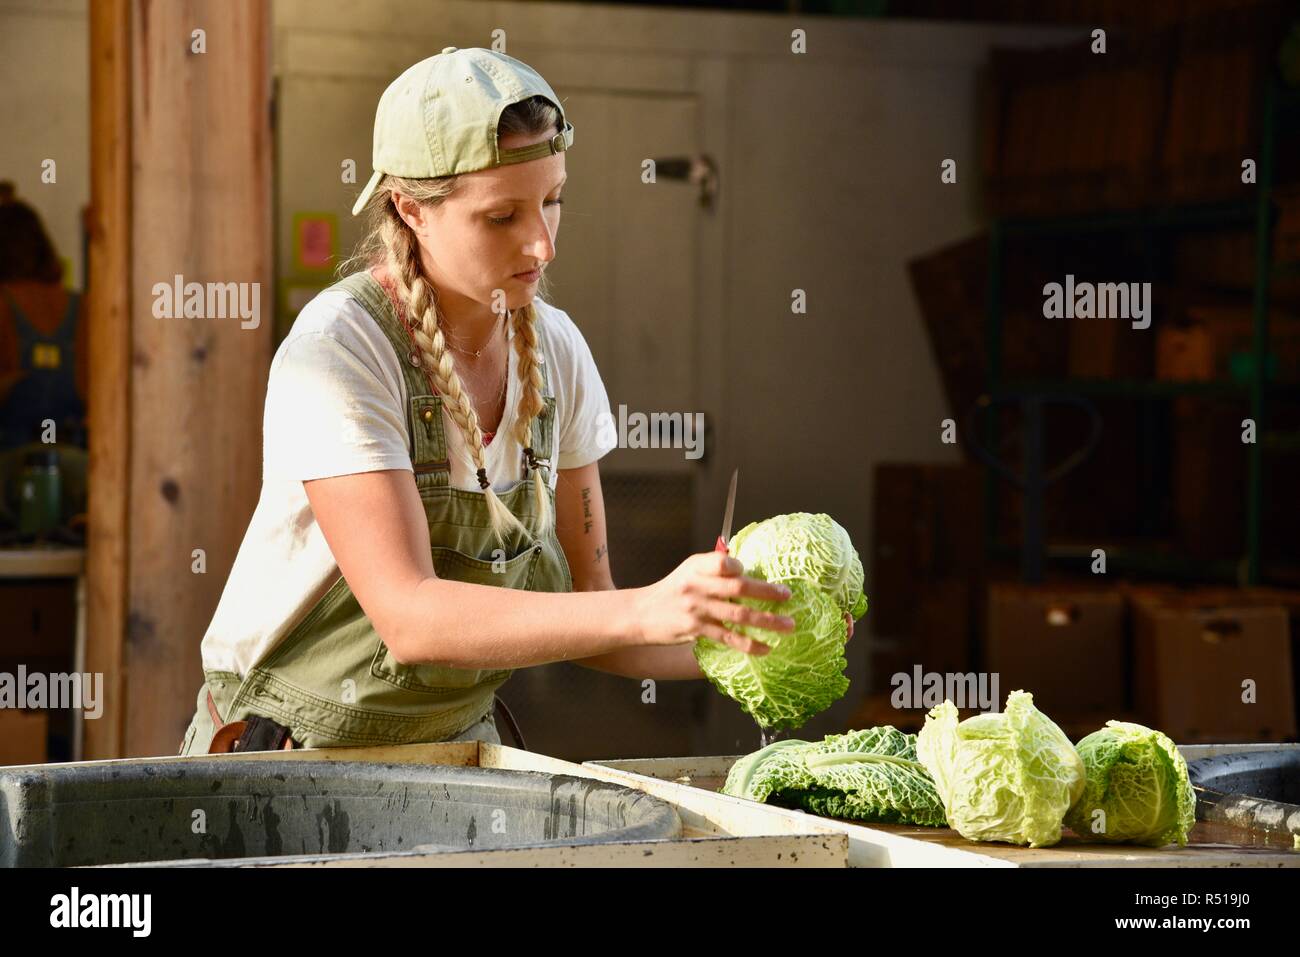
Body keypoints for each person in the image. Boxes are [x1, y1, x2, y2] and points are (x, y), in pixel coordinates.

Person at [178, 47, 807, 756]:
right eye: (502, 214)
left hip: (457, 757)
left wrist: (744, 633)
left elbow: (590, 610)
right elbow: (411, 617)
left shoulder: (558, 352)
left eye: (553, 200)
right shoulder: (342, 348)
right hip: (293, 762)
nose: (542, 244)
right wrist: (643, 608)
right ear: (412, 209)